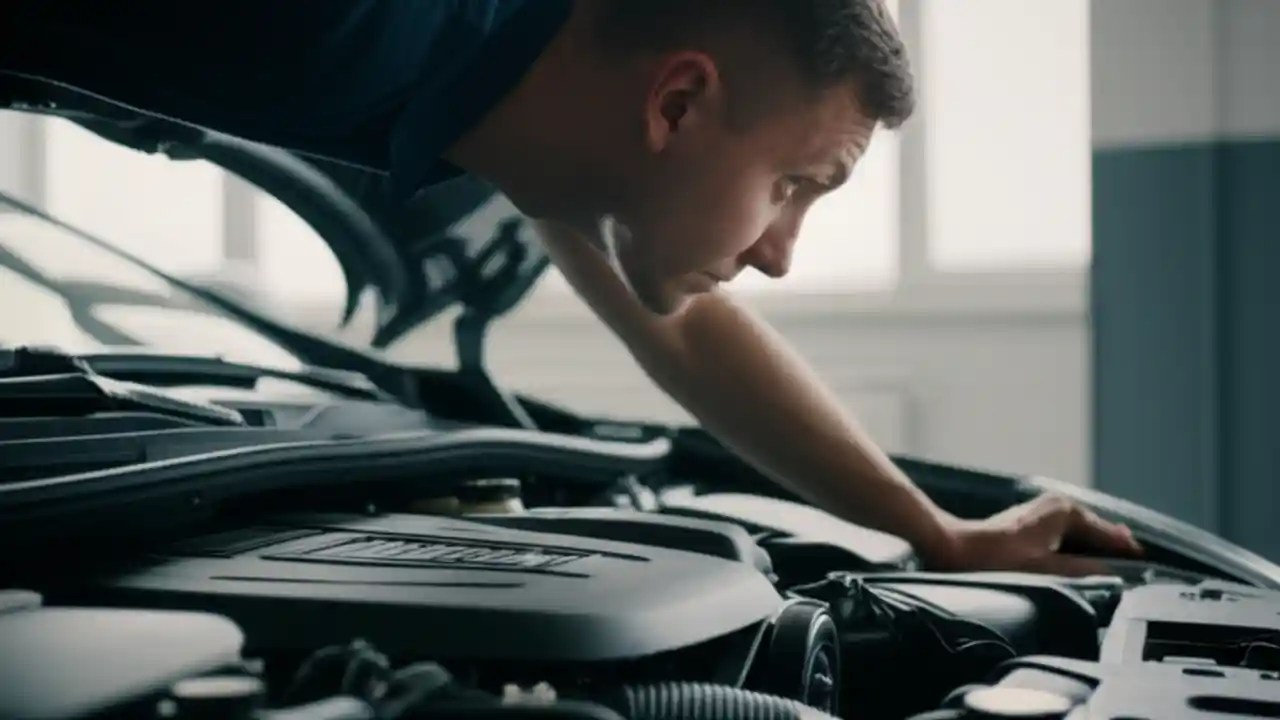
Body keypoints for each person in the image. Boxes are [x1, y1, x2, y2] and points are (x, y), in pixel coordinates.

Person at [2, 0, 1143, 573]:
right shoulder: (355, 19)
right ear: (678, 104)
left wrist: (935, 533)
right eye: (796, 185)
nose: (779, 252)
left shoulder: (528, 109)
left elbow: (693, 335)